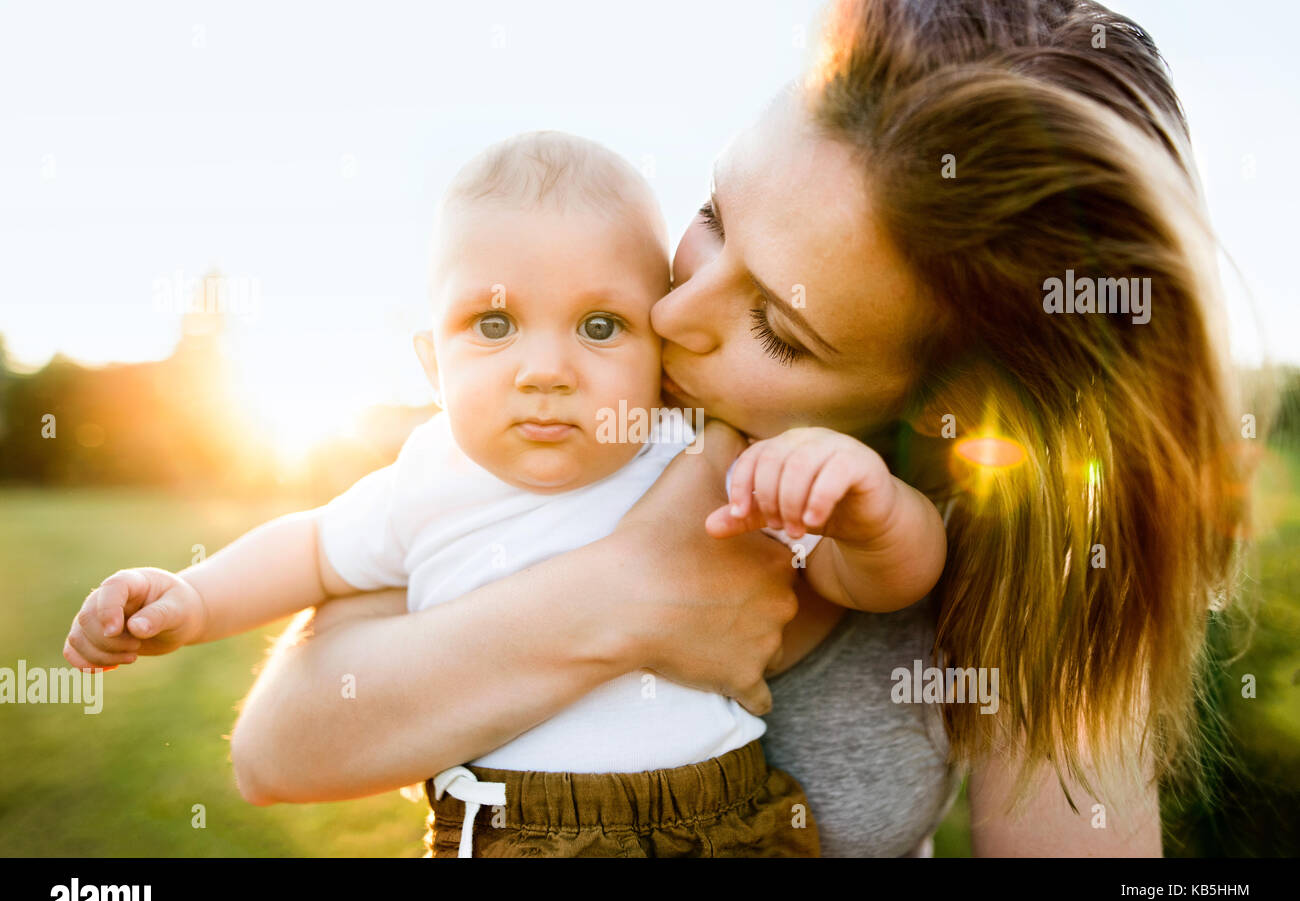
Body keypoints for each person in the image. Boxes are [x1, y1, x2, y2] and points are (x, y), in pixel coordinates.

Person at [228, 0, 1252, 857]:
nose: (672, 316)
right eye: (715, 214)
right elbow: (281, 750)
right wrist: (632, 594)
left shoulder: (1023, 559)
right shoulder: (556, 410)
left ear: (944, 403)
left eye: (776, 324)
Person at [63, 129, 946, 857]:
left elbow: (874, 582)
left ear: (659, 347)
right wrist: (189, 598)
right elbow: (306, 548)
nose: (546, 372)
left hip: (723, 826)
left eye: (601, 326)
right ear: (429, 362)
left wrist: (873, 513)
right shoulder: (427, 480)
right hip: (513, 830)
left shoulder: (700, 453)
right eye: (494, 325)